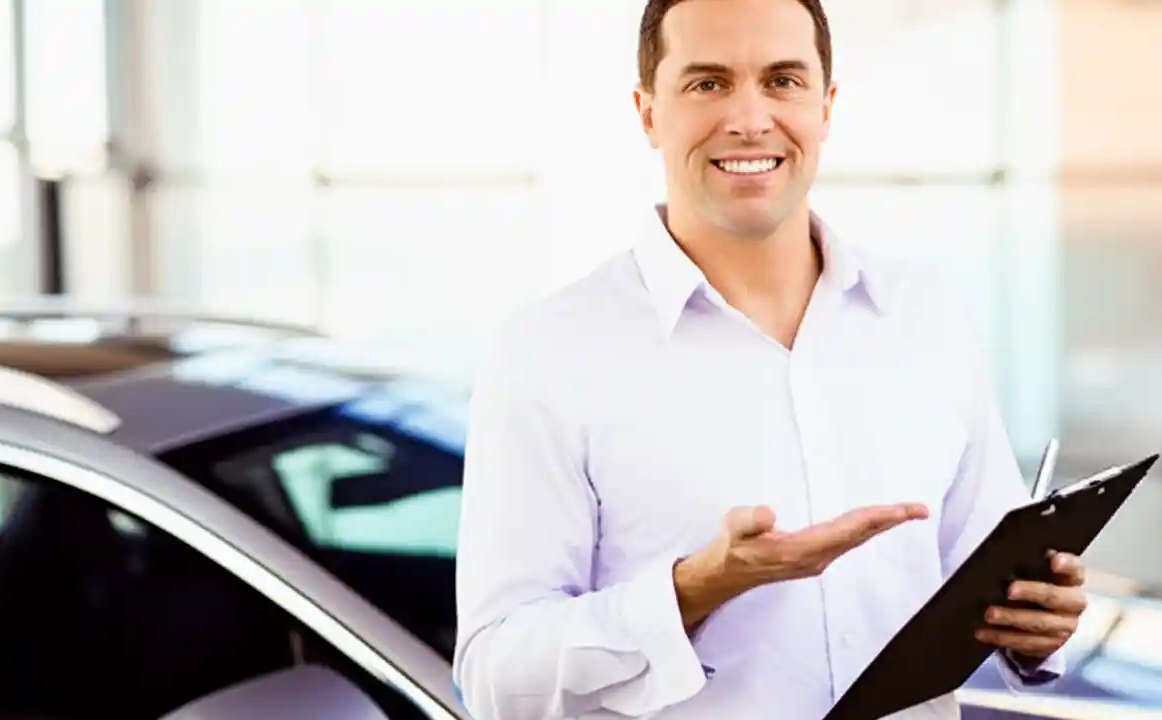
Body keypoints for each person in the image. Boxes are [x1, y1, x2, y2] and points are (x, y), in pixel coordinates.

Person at [453, 0, 1087, 717]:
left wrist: (1038, 623)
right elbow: (494, 677)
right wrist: (695, 589)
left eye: (783, 80)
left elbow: (987, 574)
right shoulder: (547, 353)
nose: (750, 118)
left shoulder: (926, 316)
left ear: (827, 106)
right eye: (707, 84)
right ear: (648, 113)